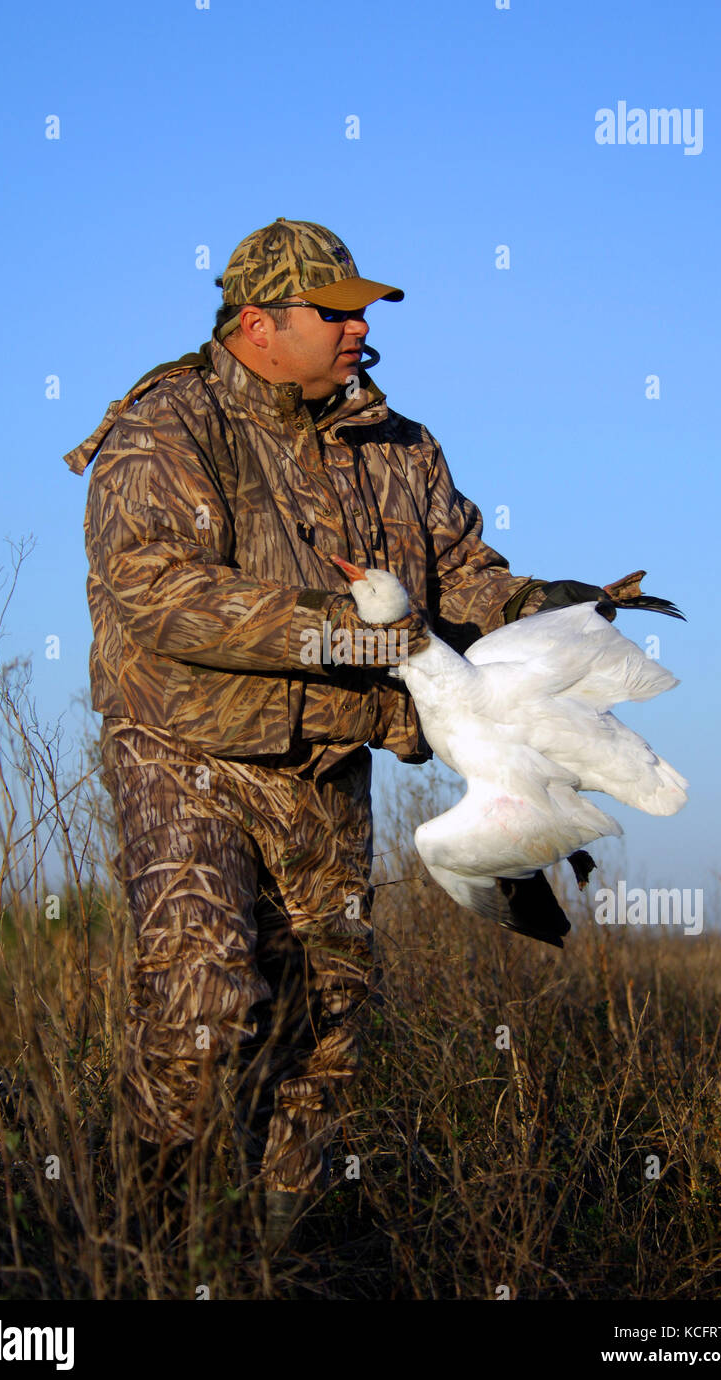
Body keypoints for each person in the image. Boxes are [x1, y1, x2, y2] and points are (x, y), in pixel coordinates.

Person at [64, 217, 618, 1250]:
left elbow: (460, 579)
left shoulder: (398, 445)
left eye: (362, 312)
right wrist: (352, 636)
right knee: (205, 998)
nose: (360, 329)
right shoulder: (165, 427)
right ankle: (142, 1247)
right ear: (258, 323)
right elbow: (157, 593)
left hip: (325, 771)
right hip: (187, 756)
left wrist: (556, 609)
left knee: (326, 1032)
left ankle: (287, 1259)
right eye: (338, 311)